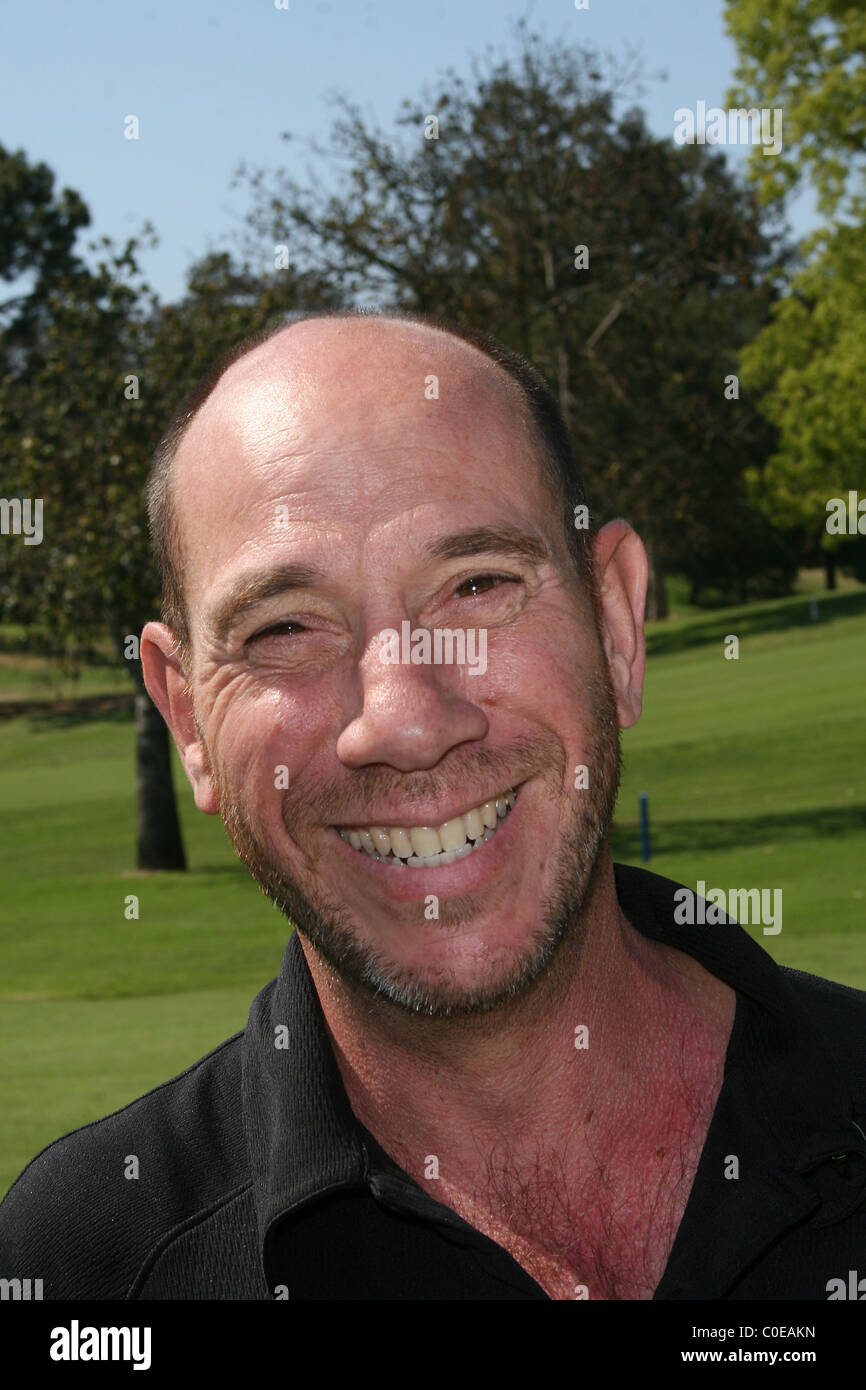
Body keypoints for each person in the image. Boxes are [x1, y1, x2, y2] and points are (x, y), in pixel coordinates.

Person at [1, 309, 865, 1301]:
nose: (405, 721)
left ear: (617, 627)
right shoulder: (78, 1268)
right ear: (188, 720)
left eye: (477, 584)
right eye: (284, 627)